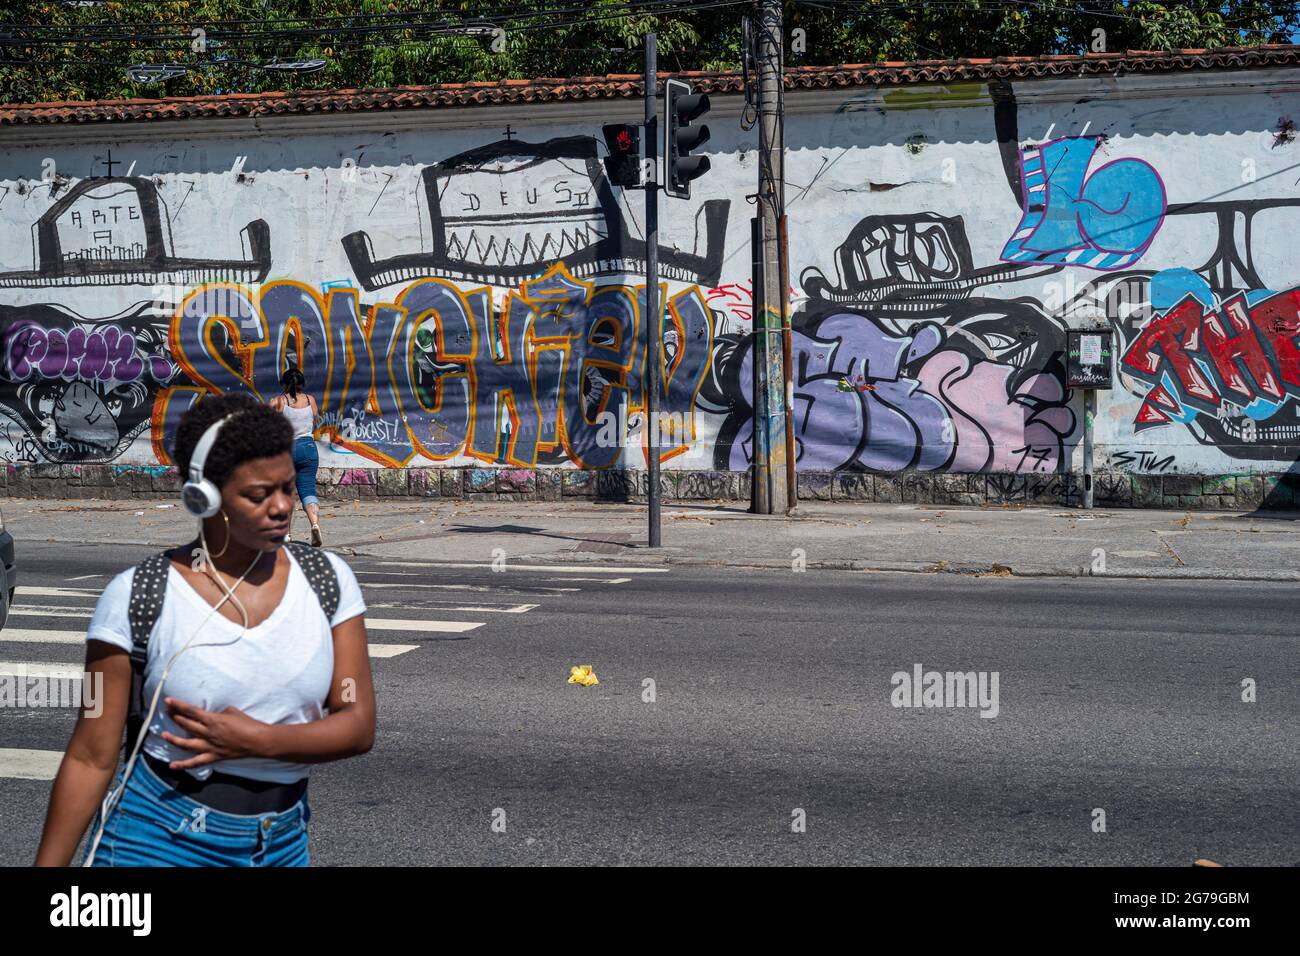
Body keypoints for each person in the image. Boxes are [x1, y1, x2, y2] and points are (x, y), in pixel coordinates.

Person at [34, 392, 375, 867]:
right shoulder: (135, 597)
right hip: (154, 841)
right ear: (204, 494)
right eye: (258, 494)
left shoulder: (328, 582)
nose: (281, 507)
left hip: (281, 846)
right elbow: (90, 756)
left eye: (287, 488)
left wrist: (259, 740)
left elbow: (357, 725)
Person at [270, 367, 323, 547]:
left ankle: (286, 534)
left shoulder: (278, 401)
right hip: (309, 448)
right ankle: (315, 524)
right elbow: (314, 420)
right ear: (302, 383)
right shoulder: (310, 400)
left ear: (284, 384)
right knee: (308, 490)